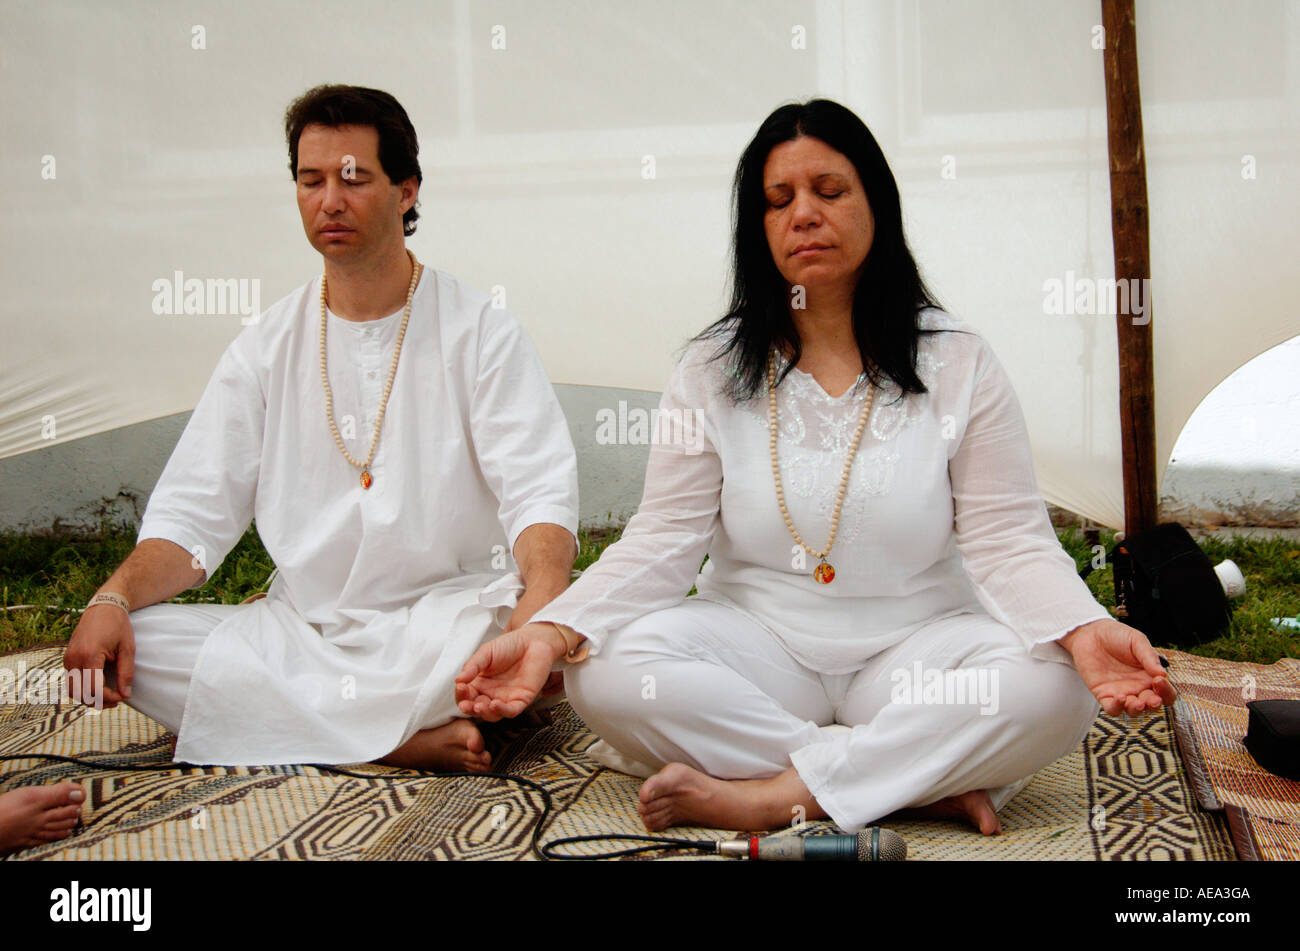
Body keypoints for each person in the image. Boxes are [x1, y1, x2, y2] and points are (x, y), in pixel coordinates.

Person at [455, 99, 1177, 836]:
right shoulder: (710, 368)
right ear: (758, 228)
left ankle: (775, 795)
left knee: (1056, 683)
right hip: (756, 648)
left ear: (877, 207)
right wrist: (552, 632)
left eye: (829, 191)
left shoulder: (958, 360)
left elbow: (1009, 538)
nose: (804, 214)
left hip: (918, 648)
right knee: (605, 670)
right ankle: (903, 782)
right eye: (779, 200)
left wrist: (1084, 628)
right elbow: (662, 537)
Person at [62, 84, 579, 770]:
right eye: (311, 181)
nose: (330, 200)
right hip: (305, 630)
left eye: (353, 179)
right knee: (144, 642)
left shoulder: (480, 330)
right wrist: (113, 596)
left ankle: (314, 726)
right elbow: (193, 512)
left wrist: (541, 603)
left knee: (529, 648)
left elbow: (538, 492)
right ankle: (398, 740)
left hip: (446, 622)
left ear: (405, 191)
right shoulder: (266, 345)